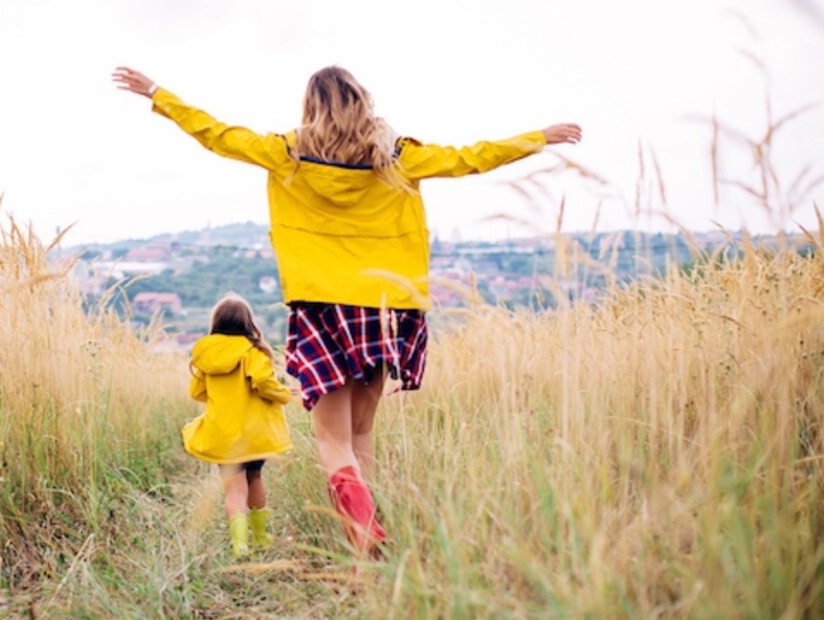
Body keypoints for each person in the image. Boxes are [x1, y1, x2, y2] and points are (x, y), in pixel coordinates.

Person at [114, 65, 581, 557]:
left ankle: (364, 539)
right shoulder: (398, 157)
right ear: (363, 103)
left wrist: (158, 94)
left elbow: (218, 135)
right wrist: (537, 139)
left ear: (310, 107)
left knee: (333, 442)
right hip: (388, 308)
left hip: (322, 307)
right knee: (361, 435)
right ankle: (368, 544)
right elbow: (470, 159)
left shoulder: (287, 154)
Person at [183, 294, 294, 558]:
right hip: (254, 435)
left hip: (224, 435)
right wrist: (286, 394)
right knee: (255, 479)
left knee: (234, 489)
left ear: (216, 322)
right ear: (248, 323)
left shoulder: (207, 355)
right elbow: (264, 384)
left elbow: (197, 392)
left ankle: (239, 545)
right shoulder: (252, 353)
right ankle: (262, 540)